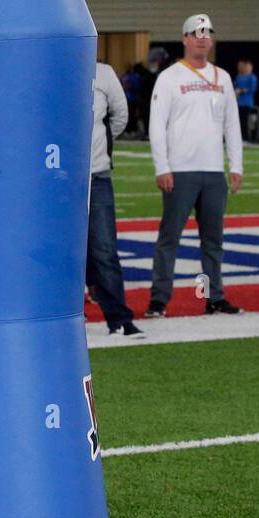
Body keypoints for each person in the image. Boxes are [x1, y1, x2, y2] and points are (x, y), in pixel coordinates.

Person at [146, 13, 243, 317]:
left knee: (212, 241)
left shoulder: (222, 77)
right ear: (185, 38)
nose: (202, 38)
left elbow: (232, 125)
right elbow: (156, 125)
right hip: (180, 170)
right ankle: (159, 300)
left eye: (207, 33)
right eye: (196, 33)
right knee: (170, 238)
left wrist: (235, 164)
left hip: (213, 170)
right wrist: (162, 166)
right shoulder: (170, 77)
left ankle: (213, 296)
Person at [88, 61, 142, 336]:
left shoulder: (105, 72)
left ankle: (119, 318)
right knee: (61, 253)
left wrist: (101, 144)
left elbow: (120, 116)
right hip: (59, 181)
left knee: (105, 250)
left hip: (97, 174)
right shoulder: (54, 65)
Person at [233, 59, 258, 143]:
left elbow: (252, 89)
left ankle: (246, 138)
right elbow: (234, 86)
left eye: (249, 66)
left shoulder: (252, 77)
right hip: (238, 103)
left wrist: (241, 90)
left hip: (247, 103)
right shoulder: (239, 77)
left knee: (246, 121)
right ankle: (240, 138)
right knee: (239, 121)